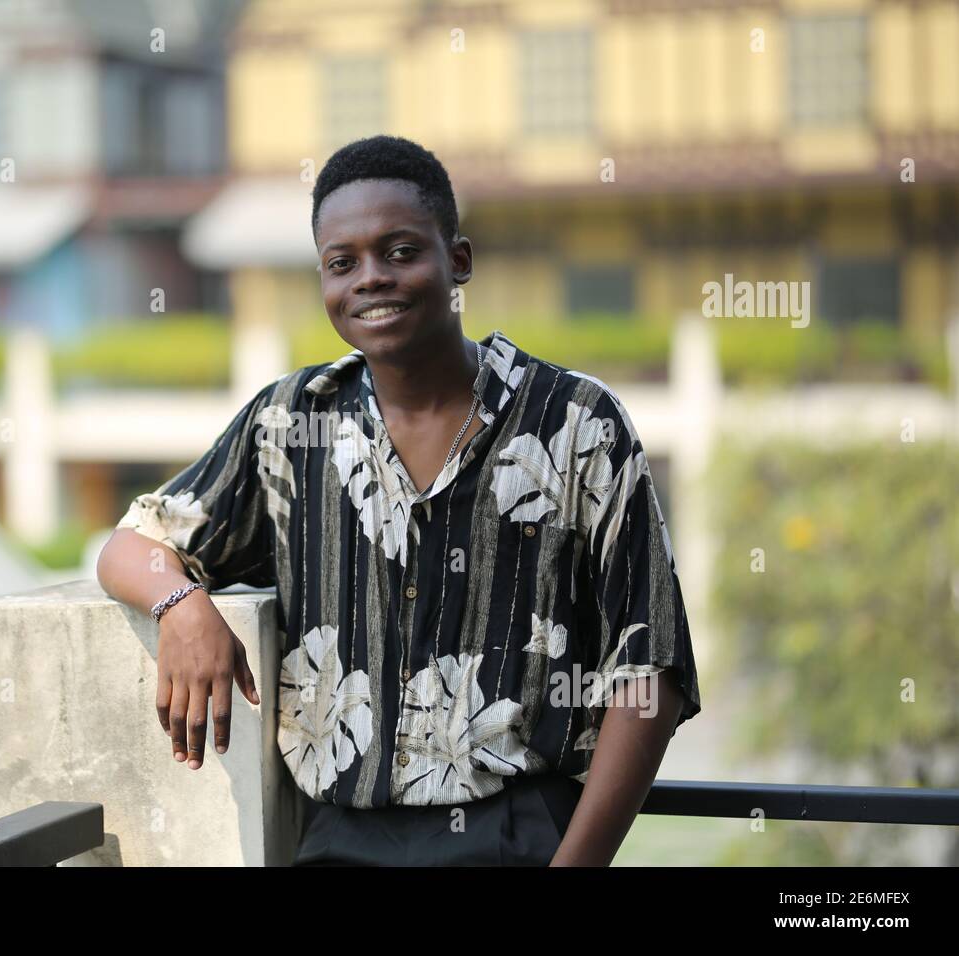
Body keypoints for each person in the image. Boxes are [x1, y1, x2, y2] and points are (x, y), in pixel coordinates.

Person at [96, 134, 702, 866]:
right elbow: (132, 543)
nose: (370, 279)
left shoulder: (576, 423)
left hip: (519, 836)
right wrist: (181, 606)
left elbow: (651, 667)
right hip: (338, 840)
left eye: (401, 251)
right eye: (341, 263)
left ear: (460, 261)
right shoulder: (291, 422)